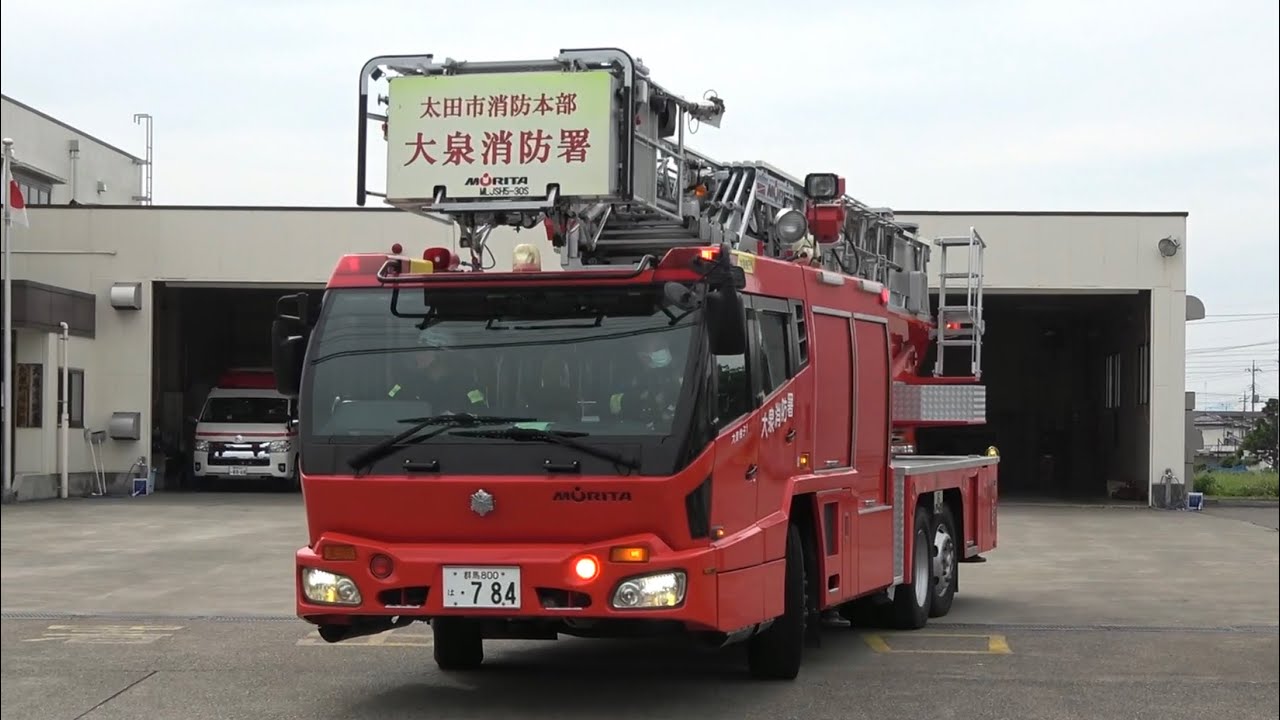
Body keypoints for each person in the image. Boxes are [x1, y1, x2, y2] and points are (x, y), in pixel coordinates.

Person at [385, 325, 489, 414]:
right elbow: (387, 407)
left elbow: (481, 415)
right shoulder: (406, 385)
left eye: (423, 350)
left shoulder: (467, 387)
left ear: (441, 354)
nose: (417, 355)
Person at [607, 332, 683, 427]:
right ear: (642, 355)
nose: (664, 349)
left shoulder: (677, 371)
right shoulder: (628, 377)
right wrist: (638, 397)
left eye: (664, 346)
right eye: (658, 348)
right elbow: (609, 404)